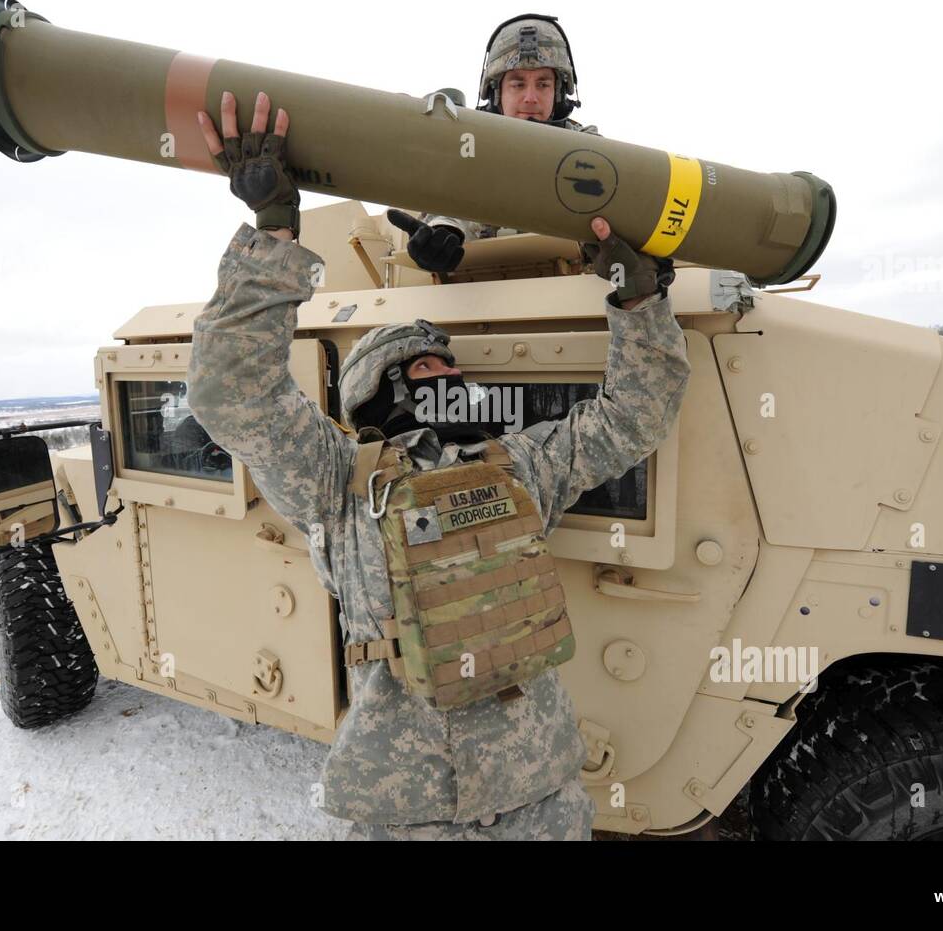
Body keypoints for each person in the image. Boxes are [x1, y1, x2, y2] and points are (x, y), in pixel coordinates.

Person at [190, 88, 689, 839]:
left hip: (536, 795)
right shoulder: (333, 481)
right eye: (424, 370)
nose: (448, 379)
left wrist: (638, 299)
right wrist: (274, 233)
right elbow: (231, 391)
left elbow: (635, 414)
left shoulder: (518, 463)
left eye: (448, 369)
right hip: (402, 806)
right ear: (381, 392)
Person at [399, 14, 600, 273]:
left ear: (558, 93)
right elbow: (457, 200)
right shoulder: (471, 147)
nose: (530, 98)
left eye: (543, 84)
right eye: (517, 84)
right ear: (497, 92)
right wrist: (442, 234)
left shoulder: (590, 151)